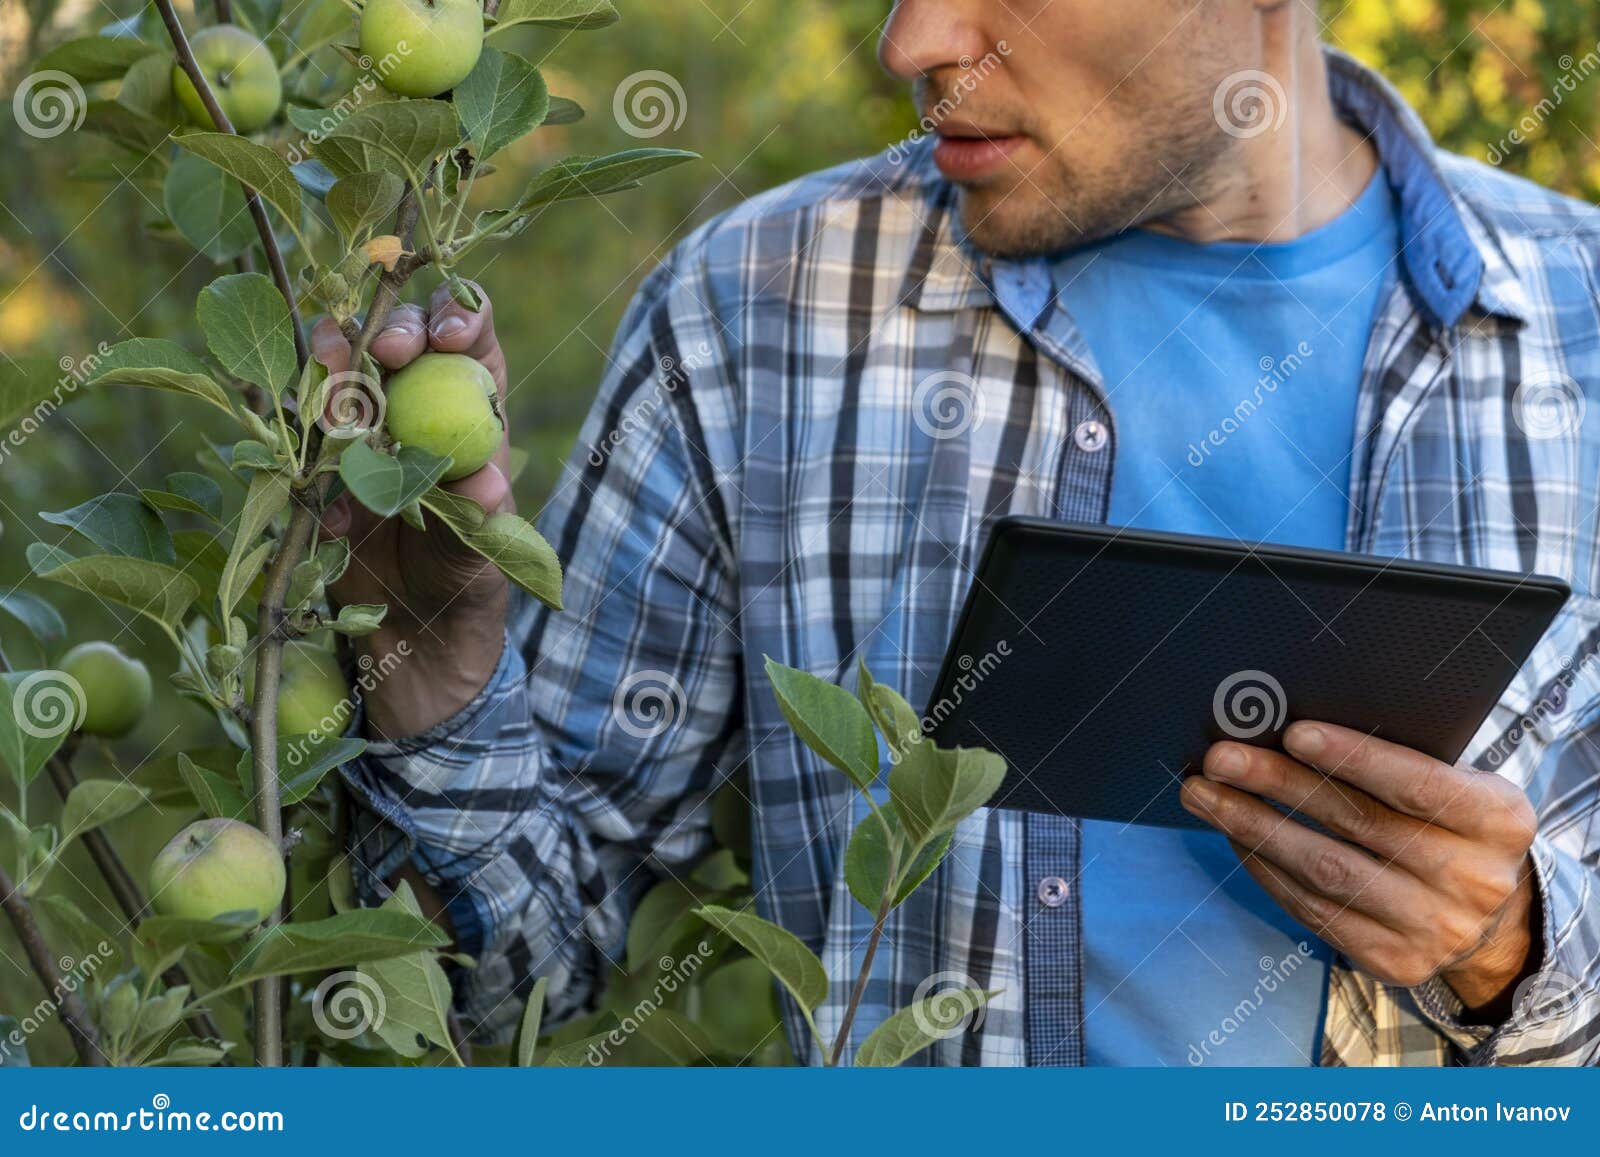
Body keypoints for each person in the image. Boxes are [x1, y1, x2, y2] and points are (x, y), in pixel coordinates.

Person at [312, 0, 1600, 1065]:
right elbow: (487, 993)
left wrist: (1513, 954)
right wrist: (432, 672)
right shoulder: (755, 315)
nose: (913, 39)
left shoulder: (1580, 326)